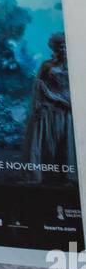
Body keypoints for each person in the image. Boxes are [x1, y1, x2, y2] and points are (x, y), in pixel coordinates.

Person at [23, 33, 76, 180]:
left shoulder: (74, 63)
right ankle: (47, 174)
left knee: (66, 140)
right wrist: (38, 104)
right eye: (60, 46)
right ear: (53, 48)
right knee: (48, 139)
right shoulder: (47, 65)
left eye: (65, 46)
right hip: (51, 106)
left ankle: (65, 175)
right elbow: (38, 85)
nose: (63, 49)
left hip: (68, 107)